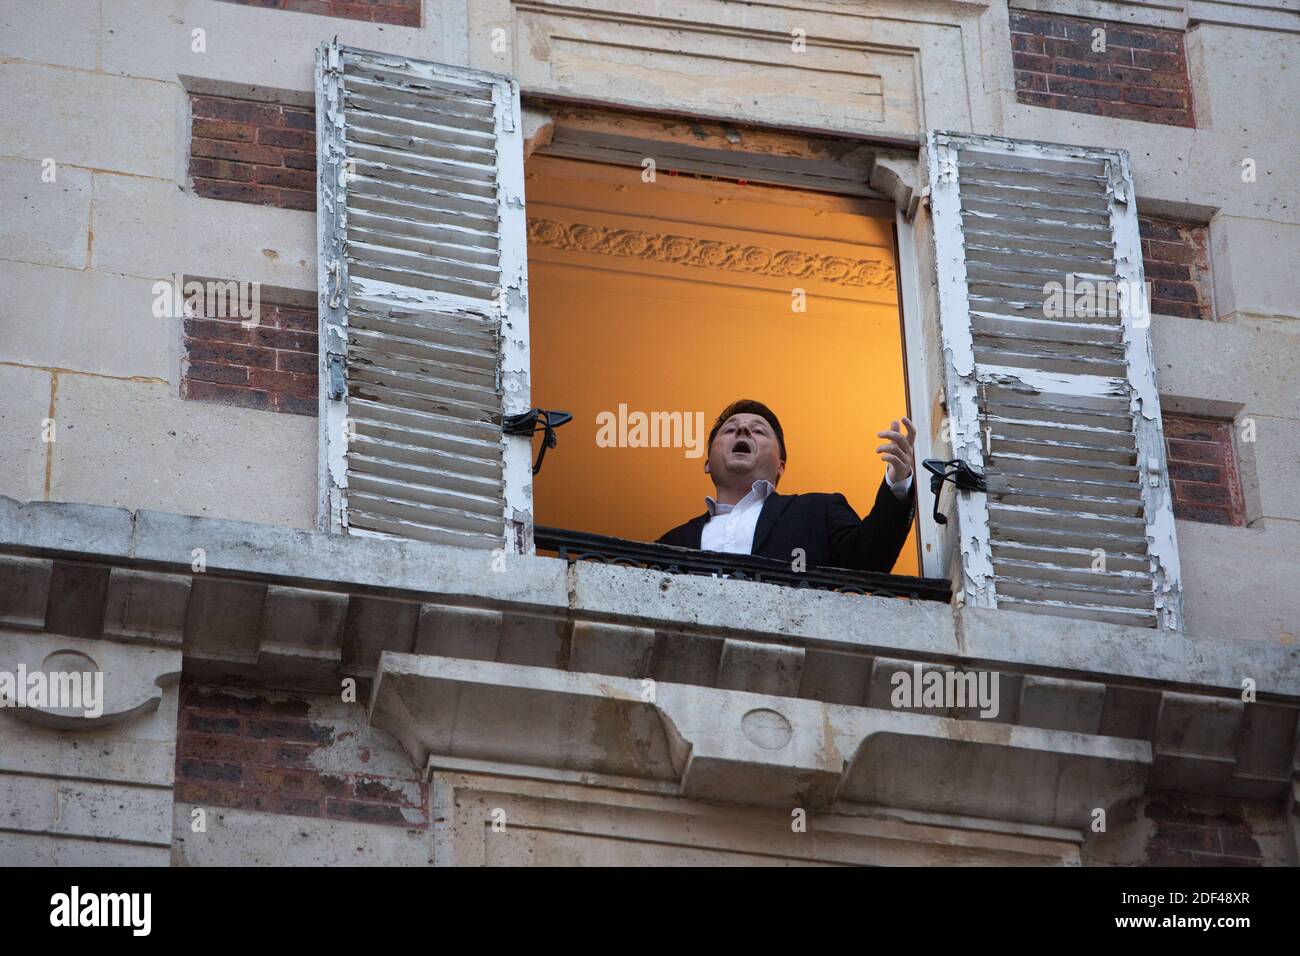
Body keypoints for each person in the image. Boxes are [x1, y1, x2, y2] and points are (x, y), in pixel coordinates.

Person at [656, 399, 916, 573]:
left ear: (780, 465)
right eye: (729, 430)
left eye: (758, 431)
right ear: (708, 464)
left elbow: (869, 561)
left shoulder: (819, 511)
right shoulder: (670, 543)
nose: (743, 430)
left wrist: (898, 482)